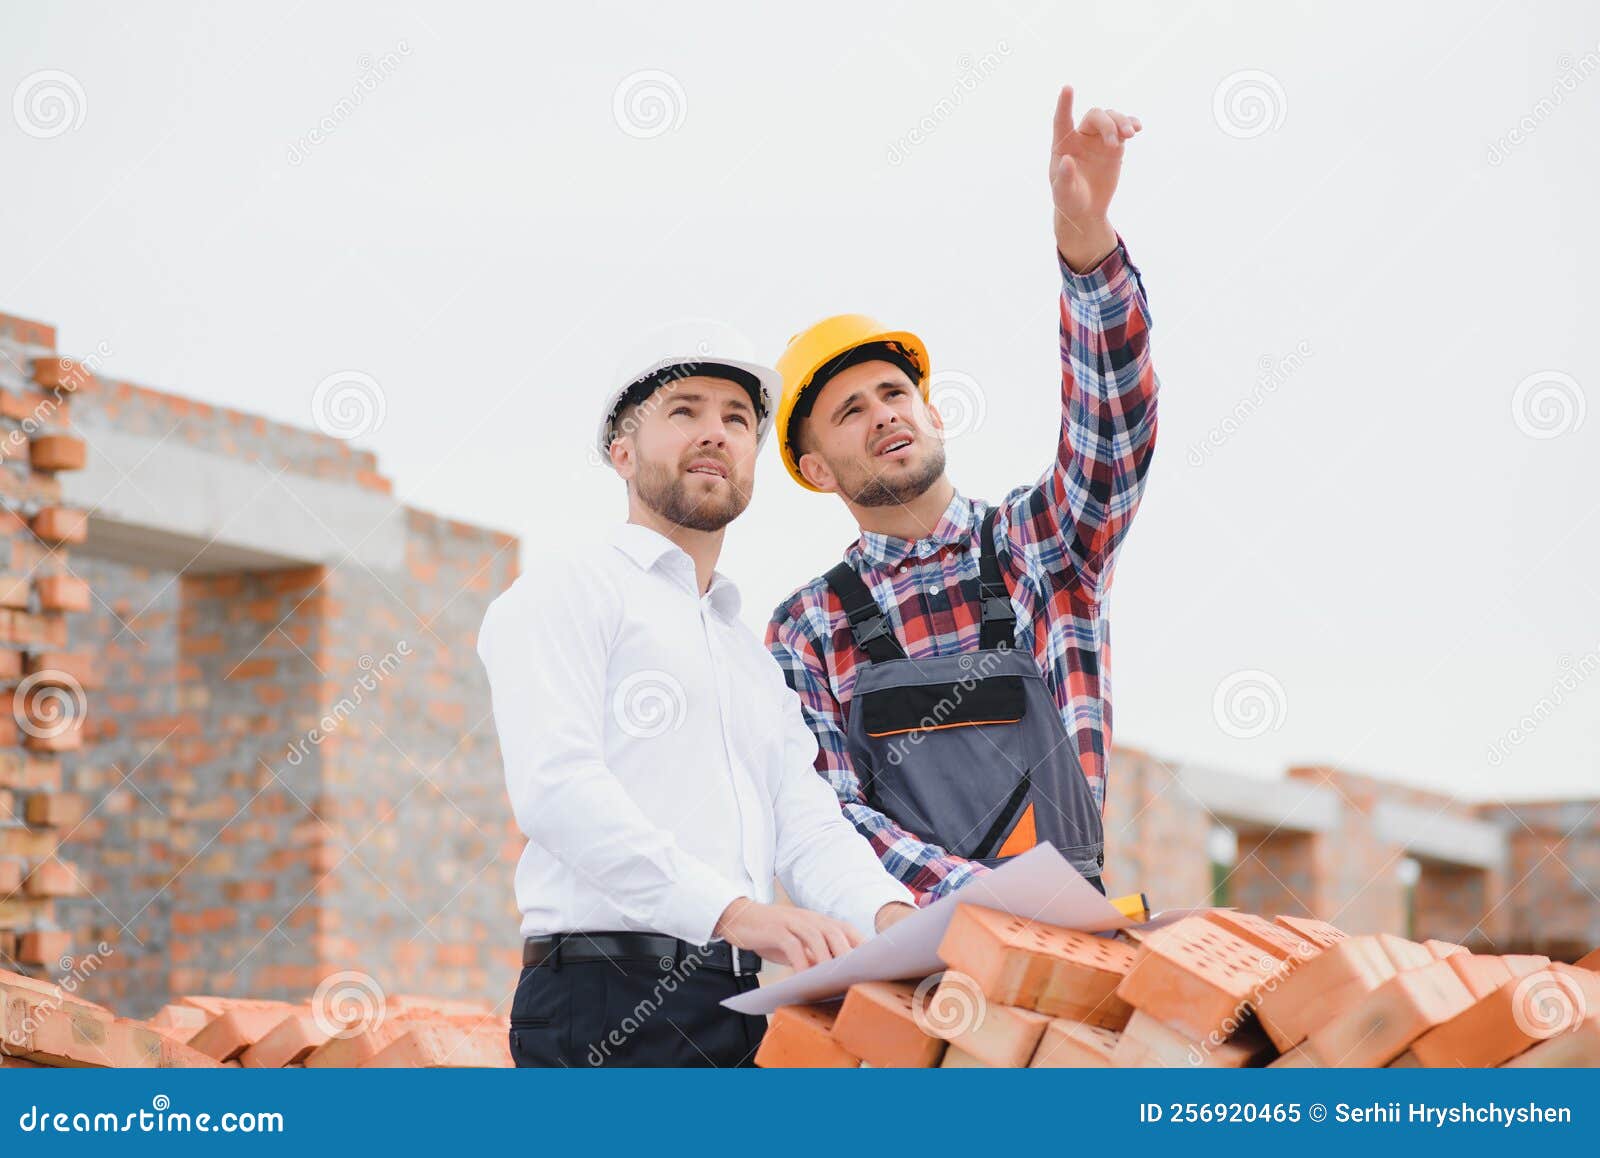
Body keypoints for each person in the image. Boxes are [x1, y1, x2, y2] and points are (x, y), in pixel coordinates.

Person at [765, 85, 1158, 906]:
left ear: (933, 412)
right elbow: (829, 816)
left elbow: (1111, 422)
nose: (883, 415)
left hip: (1075, 938)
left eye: (894, 393)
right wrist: (987, 908)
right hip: (916, 959)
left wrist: (1085, 243)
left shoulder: (1042, 547)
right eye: (850, 411)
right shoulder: (807, 630)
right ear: (817, 469)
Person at [478, 331, 916, 1068]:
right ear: (621, 453)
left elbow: (807, 826)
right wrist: (738, 914)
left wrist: (893, 920)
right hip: (605, 1005)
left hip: (738, 1005)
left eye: (739, 419)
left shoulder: (750, 655)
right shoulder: (568, 591)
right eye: (685, 410)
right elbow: (557, 790)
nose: (717, 430)